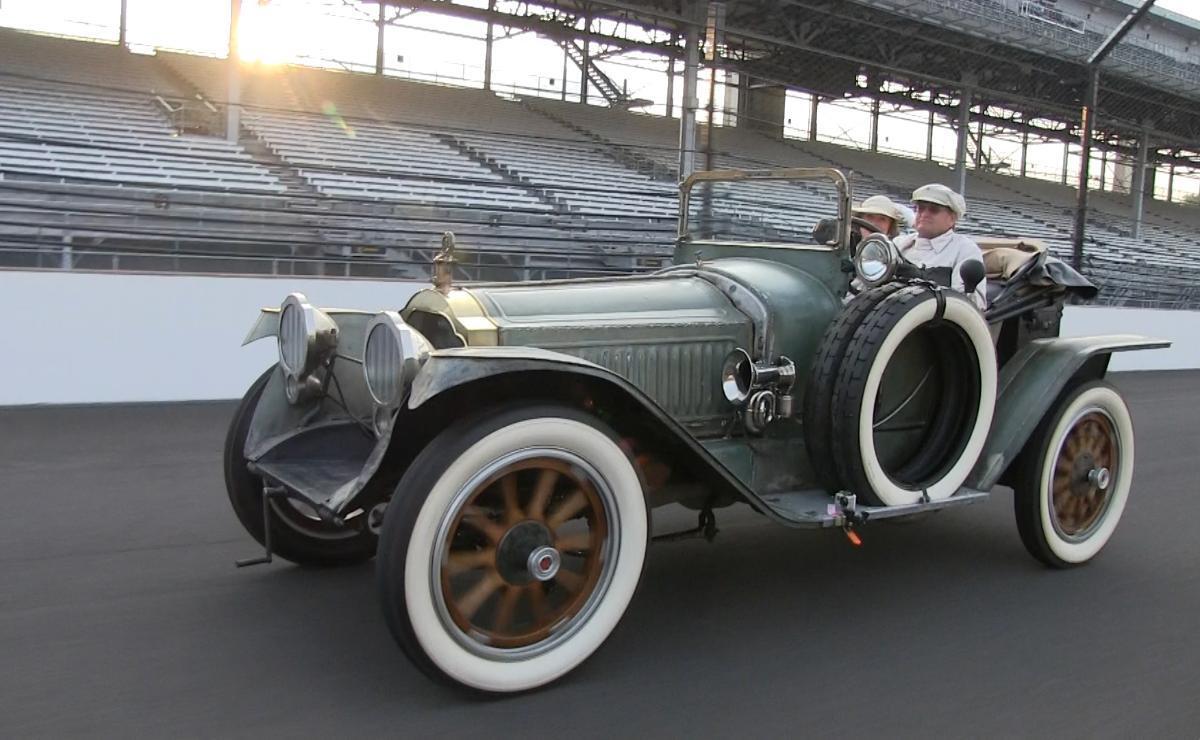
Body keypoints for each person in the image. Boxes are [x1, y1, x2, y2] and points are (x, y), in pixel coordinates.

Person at [894, 183, 987, 308]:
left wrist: (922, 283)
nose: (924, 214)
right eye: (920, 208)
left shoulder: (965, 249)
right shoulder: (898, 244)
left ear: (952, 218)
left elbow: (970, 306)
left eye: (934, 210)